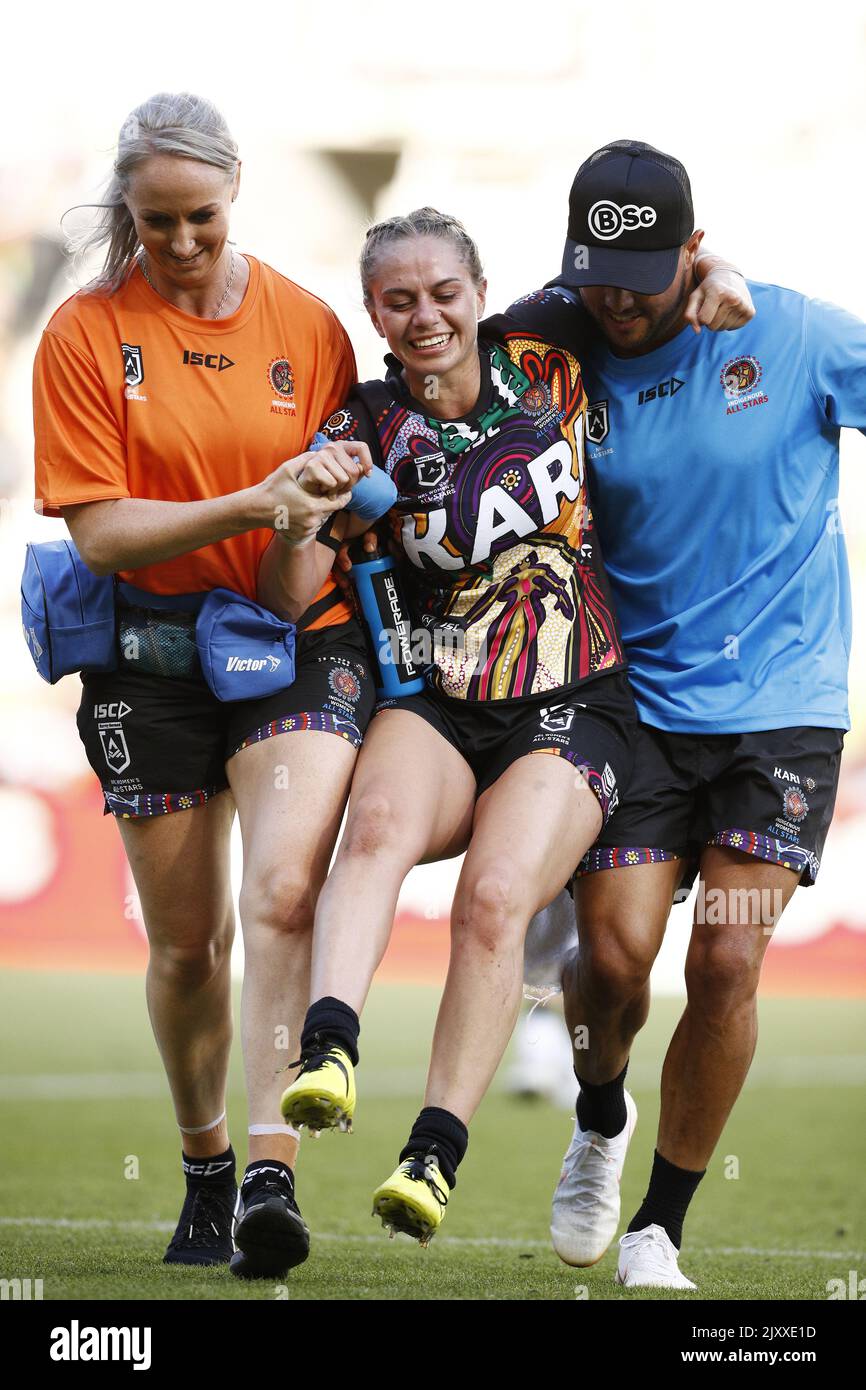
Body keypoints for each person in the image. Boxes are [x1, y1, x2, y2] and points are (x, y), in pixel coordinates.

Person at [276, 207, 749, 1245]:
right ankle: (328, 1047)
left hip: (574, 694)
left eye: (443, 291)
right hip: (439, 694)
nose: (425, 314)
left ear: (480, 291)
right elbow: (288, 587)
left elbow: (644, 281)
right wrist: (299, 513)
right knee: (377, 825)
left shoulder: (547, 348)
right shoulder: (360, 427)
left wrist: (716, 265)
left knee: (495, 898)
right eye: (398, 300)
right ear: (374, 314)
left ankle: (431, 1156)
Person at [32, 91, 379, 1280]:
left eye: (202, 219)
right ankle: (204, 1168)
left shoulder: (309, 326)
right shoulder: (83, 335)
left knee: (283, 888)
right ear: (129, 213)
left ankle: (273, 1174)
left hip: (294, 637)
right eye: (157, 222)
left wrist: (296, 527)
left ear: (236, 197)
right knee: (189, 944)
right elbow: (102, 536)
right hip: (151, 652)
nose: (180, 245)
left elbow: (306, 555)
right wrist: (254, 498)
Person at [512, 139, 866, 1290]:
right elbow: (455, 343)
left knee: (722, 956)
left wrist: (742, 284)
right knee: (610, 965)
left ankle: (658, 1224)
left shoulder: (795, 333)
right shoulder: (558, 348)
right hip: (634, 703)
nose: (617, 300)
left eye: (643, 275)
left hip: (783, 708)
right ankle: (600, 1113)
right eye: (595, 277)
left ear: (692, 249)